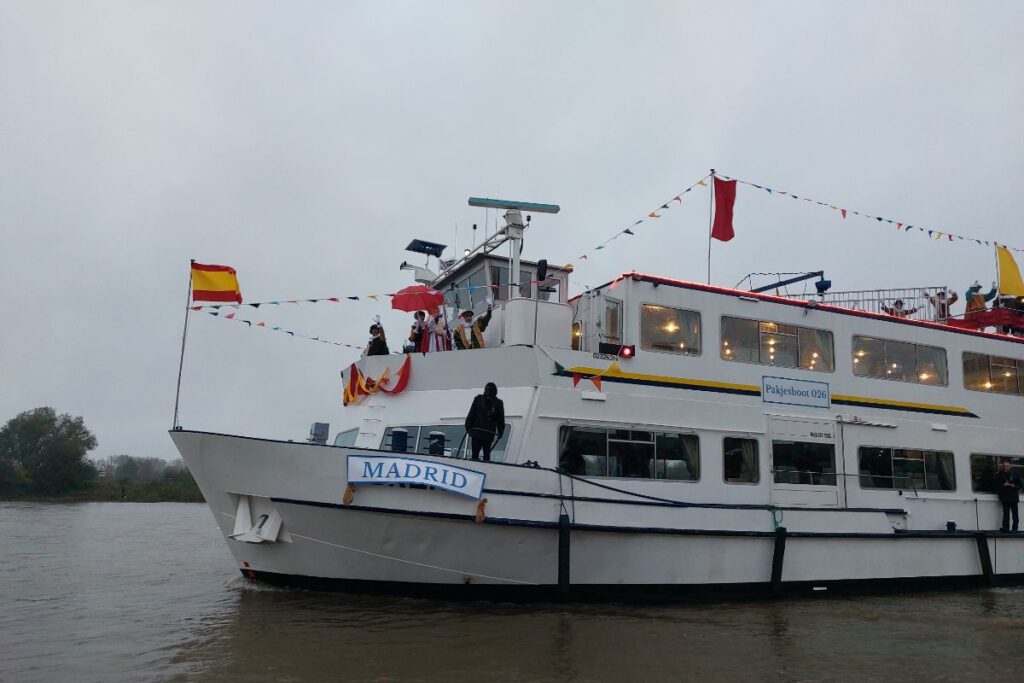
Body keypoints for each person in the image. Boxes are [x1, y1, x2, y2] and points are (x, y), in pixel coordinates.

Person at [464, 382, 504, 462]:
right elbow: (472, 413)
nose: (487, 391)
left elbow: (500, 420)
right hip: (477, 432)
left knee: (486, 455)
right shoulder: (478, 399)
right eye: (487, 389)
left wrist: (500, 432)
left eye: (489, 389)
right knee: (475, 454)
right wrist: (468, 427)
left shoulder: (498, 403)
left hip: (488, 434)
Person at [994, 459, 1022, 532]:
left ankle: (1015, 529)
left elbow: (1020, 485)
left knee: (1015, 514)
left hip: (1013, 497)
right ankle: (1006, 528)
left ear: (1011, 465)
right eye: (1005, 466)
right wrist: (1003, 485)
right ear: (1003, 466)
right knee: (1006, 514)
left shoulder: (1016, 474)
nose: (1006, 467)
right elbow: (996, 485)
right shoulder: (999, 474)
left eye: (1007, 466)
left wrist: (1014, 486)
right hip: (1005, 496)